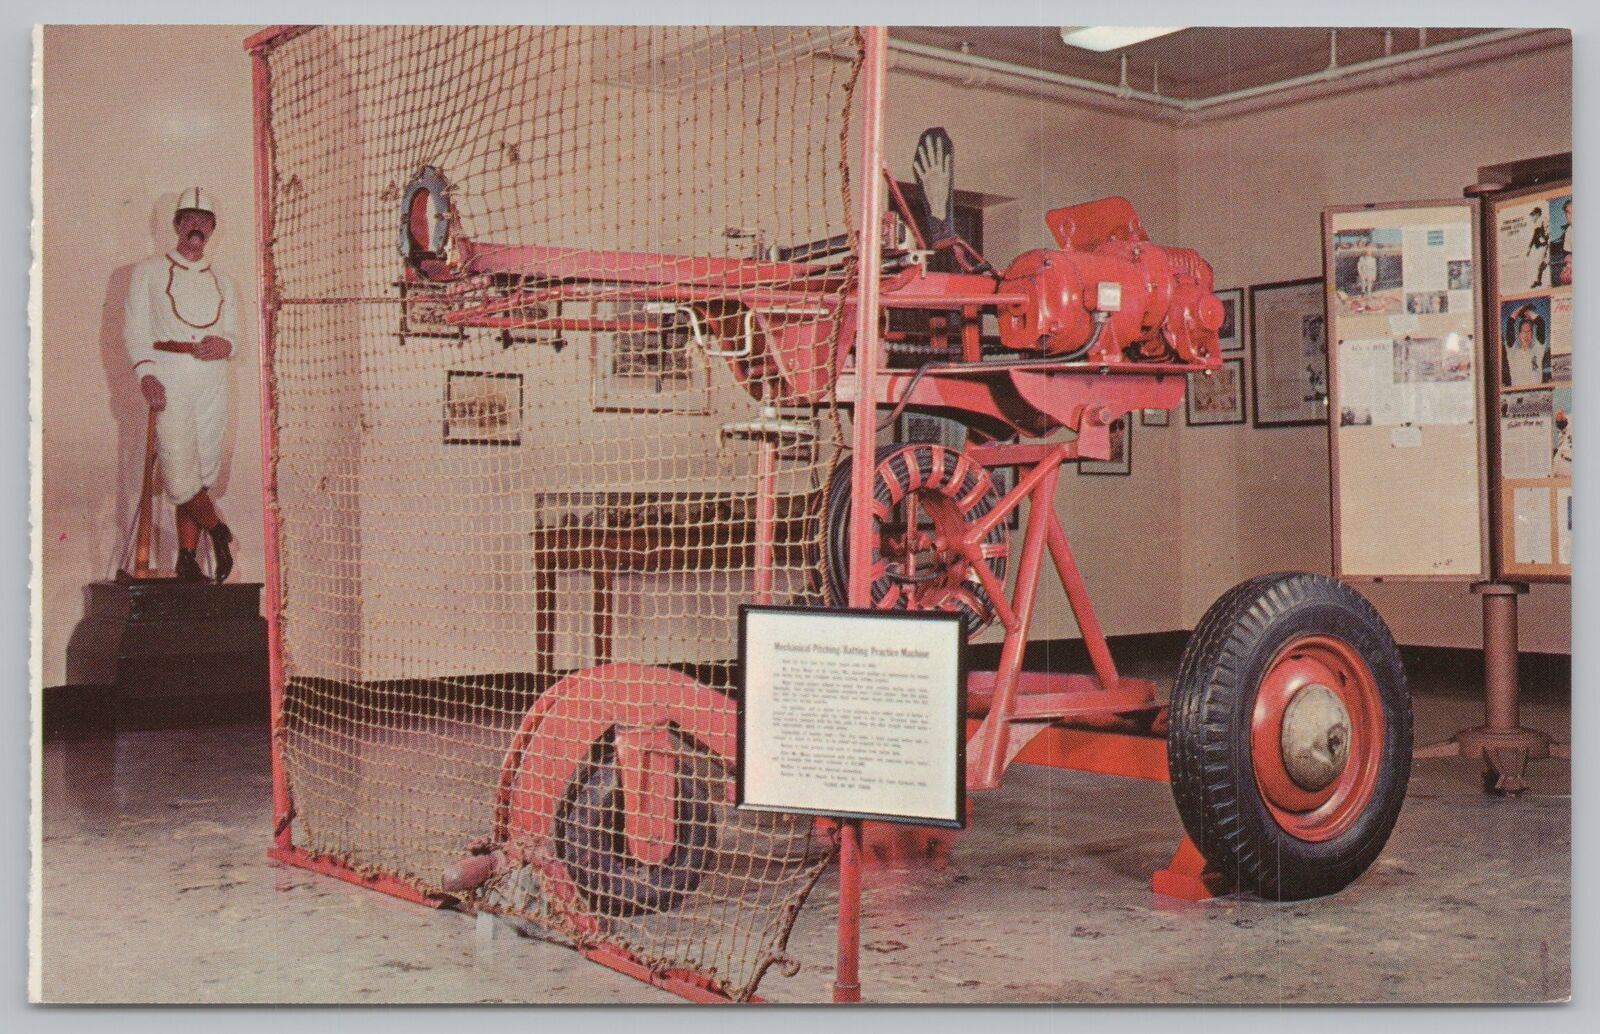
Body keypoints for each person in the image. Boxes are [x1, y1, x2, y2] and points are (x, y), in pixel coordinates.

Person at [123, 188, 240, 583]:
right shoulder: (149, 271)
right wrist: (146, 374)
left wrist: (228, 344)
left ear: (211, 229)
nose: (195, 227)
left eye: (203, 221)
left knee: (202, 469)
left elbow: (235, 336)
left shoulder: (224, 280)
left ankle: (186, 559)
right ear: (176, 225)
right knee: (177, 468)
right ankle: (219, 532)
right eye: (187, 219)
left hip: (212, 381)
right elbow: (135, 330)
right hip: (169, 375)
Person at [1501, 306, 1550, 388]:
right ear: (1519, 335)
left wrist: (1527, 312)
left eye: (1529, 331)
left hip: (1536, 394)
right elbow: (1510, 322)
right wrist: (1522, 308)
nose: (1526, 335)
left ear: (1532, 335)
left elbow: (1541, 323)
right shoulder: (1512, 352)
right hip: (1518, 395)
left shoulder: (1538, 350)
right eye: (1524, 331)